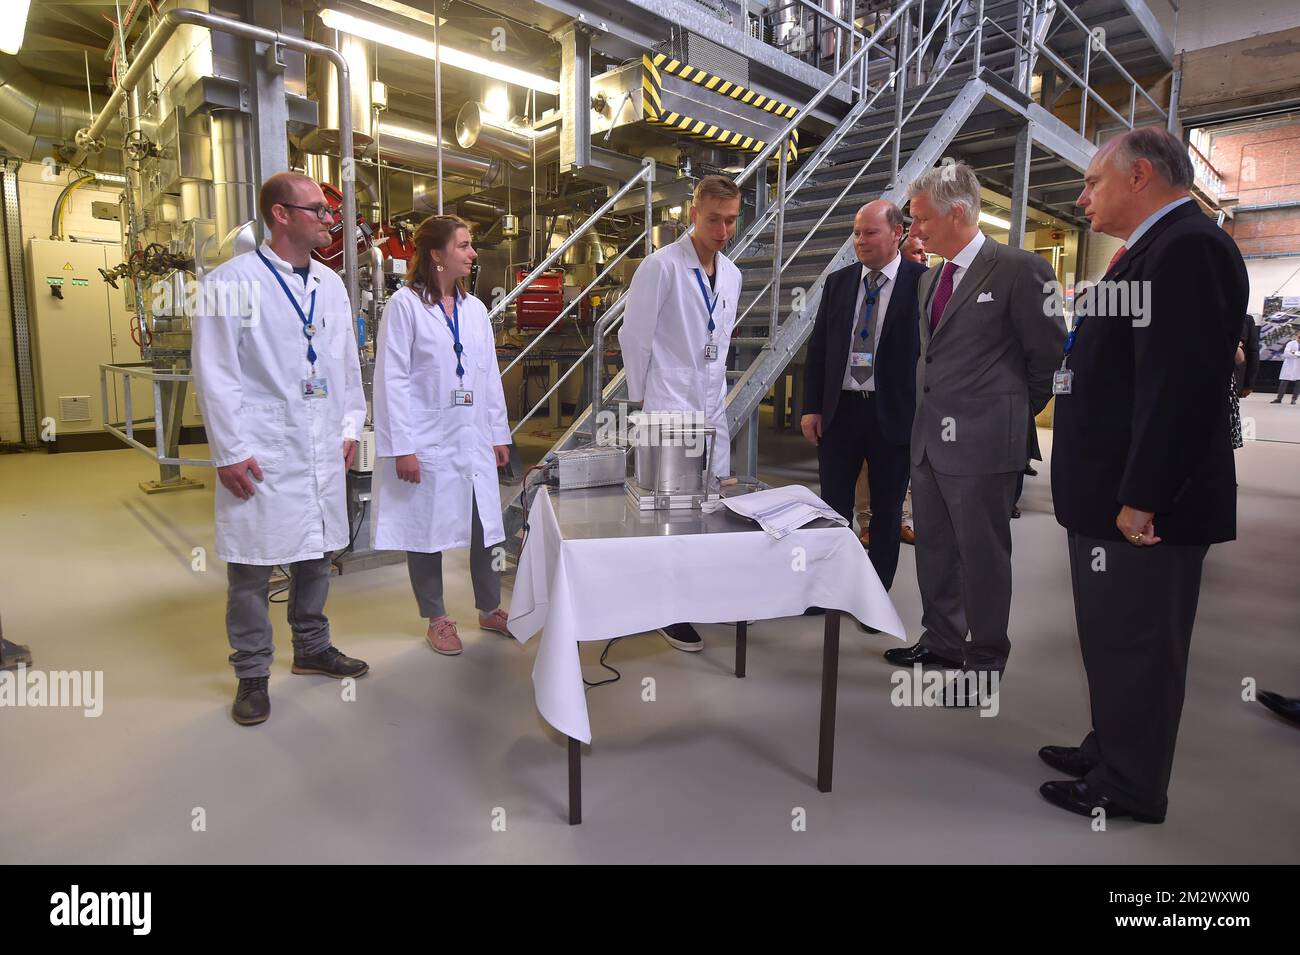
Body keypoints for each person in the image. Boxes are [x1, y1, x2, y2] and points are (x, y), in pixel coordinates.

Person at [1044, 126, 1249, 823]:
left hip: (1141, 507)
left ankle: (1132, 783)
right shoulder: (1144, 252)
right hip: (1104, 494)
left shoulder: (1189, 250)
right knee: (1110, 635)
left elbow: (1181, 390)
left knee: (1139, 641)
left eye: (1092, 182)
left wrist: (1142, 497)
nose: (1082, 196)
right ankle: (1113, 746)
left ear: (1139, 177)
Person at [192, 171, 369, 726]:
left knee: (316, 552)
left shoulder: (332, 285)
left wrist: (350, 427)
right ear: (281, 215)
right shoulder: (230, 282)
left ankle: (312, 648)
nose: (328, 218)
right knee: (251, 565)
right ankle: (251, 673)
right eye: (317, 209)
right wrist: (228, 450)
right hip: (263, 445)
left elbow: (344, 365)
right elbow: (215, 374)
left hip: (320, 440)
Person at [887, 162, 1065, 701]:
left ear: (957, 214)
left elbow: (1050, 358)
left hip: (985, 445)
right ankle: (941, 638)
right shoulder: (930, 280)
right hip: (929, 442)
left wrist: (1007, 414)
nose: (913, 232)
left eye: (920, 221)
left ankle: (986, 656)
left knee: (983, 553)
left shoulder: (1020, 270)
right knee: (935, 547)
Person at [371, 215, 512, 655]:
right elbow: (390, 379)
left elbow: (489, 377)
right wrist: (401, 448)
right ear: (437, 254)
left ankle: (490, 609)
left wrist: (498, 434)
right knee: (425, 528)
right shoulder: (405, 307)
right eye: (464, 246)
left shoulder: (475, 312)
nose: (473, 254)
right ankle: (436, 617)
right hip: (427, 439)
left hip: (471, 436)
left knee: (487, 524)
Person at [619, 174, 742, 652]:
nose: (723, 230)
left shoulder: (731, 274)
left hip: (711, 401)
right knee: (669, 511)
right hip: (668, 401)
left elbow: (721, 340)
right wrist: (644, 403)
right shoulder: (660, 266)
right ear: (694, 214)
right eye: (714, 219)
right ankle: (668, 608)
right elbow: (636, 337)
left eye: (731, 221)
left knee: (709, 504)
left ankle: (697, 594)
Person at [801, 199, 925, 604]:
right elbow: (819, 349)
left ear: (897, 233)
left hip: (894, 414)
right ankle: (830, 591)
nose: (860, 240)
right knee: (834, 506)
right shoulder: (839, 283)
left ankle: (874, 596)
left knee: (887, 510)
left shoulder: (922, 283)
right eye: (856, 232)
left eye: (870, 232)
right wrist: (811, 406)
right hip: (843, 411)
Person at [1270, 329, 1300, 404]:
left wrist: (1294, 353)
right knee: (1283, 382)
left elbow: (1292, 353)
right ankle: (1279, 399)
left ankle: (1294, 399)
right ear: (1297, 335)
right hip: (1289, 365)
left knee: (1298, 384)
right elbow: (1286, 353)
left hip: (1298, 366)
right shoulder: (1291, 343)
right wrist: (1297, 355)